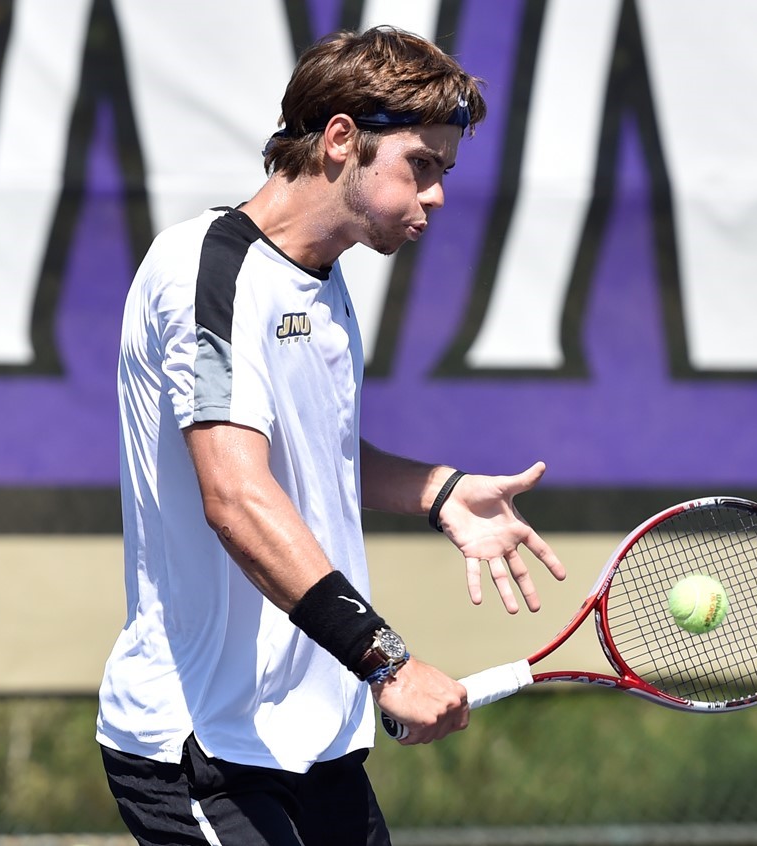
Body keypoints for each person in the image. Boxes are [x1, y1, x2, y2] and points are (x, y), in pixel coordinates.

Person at [96, 25, 566, 846]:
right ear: (342, 139)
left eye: (445, 173)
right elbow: (237, 496)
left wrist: (440, 492)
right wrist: (384, 660)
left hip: (310, 740)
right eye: (421, 166)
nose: (438, 196)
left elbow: (312, 461)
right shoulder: (210, 271)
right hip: (199, 744)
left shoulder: (324, 285)